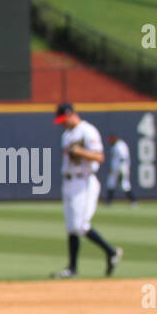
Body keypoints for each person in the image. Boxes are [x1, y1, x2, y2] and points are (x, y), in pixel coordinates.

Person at [51, 103, 122, 278]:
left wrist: (80, 151)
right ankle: (72, 268)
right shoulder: (67, 135)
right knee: (71, 227)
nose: (62, 123)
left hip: (84, 181)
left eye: (64, 119)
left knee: (80, 225)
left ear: (71, 114)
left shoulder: (88, 130)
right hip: (69, 181)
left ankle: (111, 252)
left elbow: (100, 157)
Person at [103, 134, 134, 206]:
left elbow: (123, 158)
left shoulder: (120, 145)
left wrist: (121, 170)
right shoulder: (115, 146)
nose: (110, 141)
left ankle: (133, 201)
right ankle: (108, 202)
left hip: (121, 169)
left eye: (111, 140)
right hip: (115, 169)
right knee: (111, 183)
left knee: (124, 184)